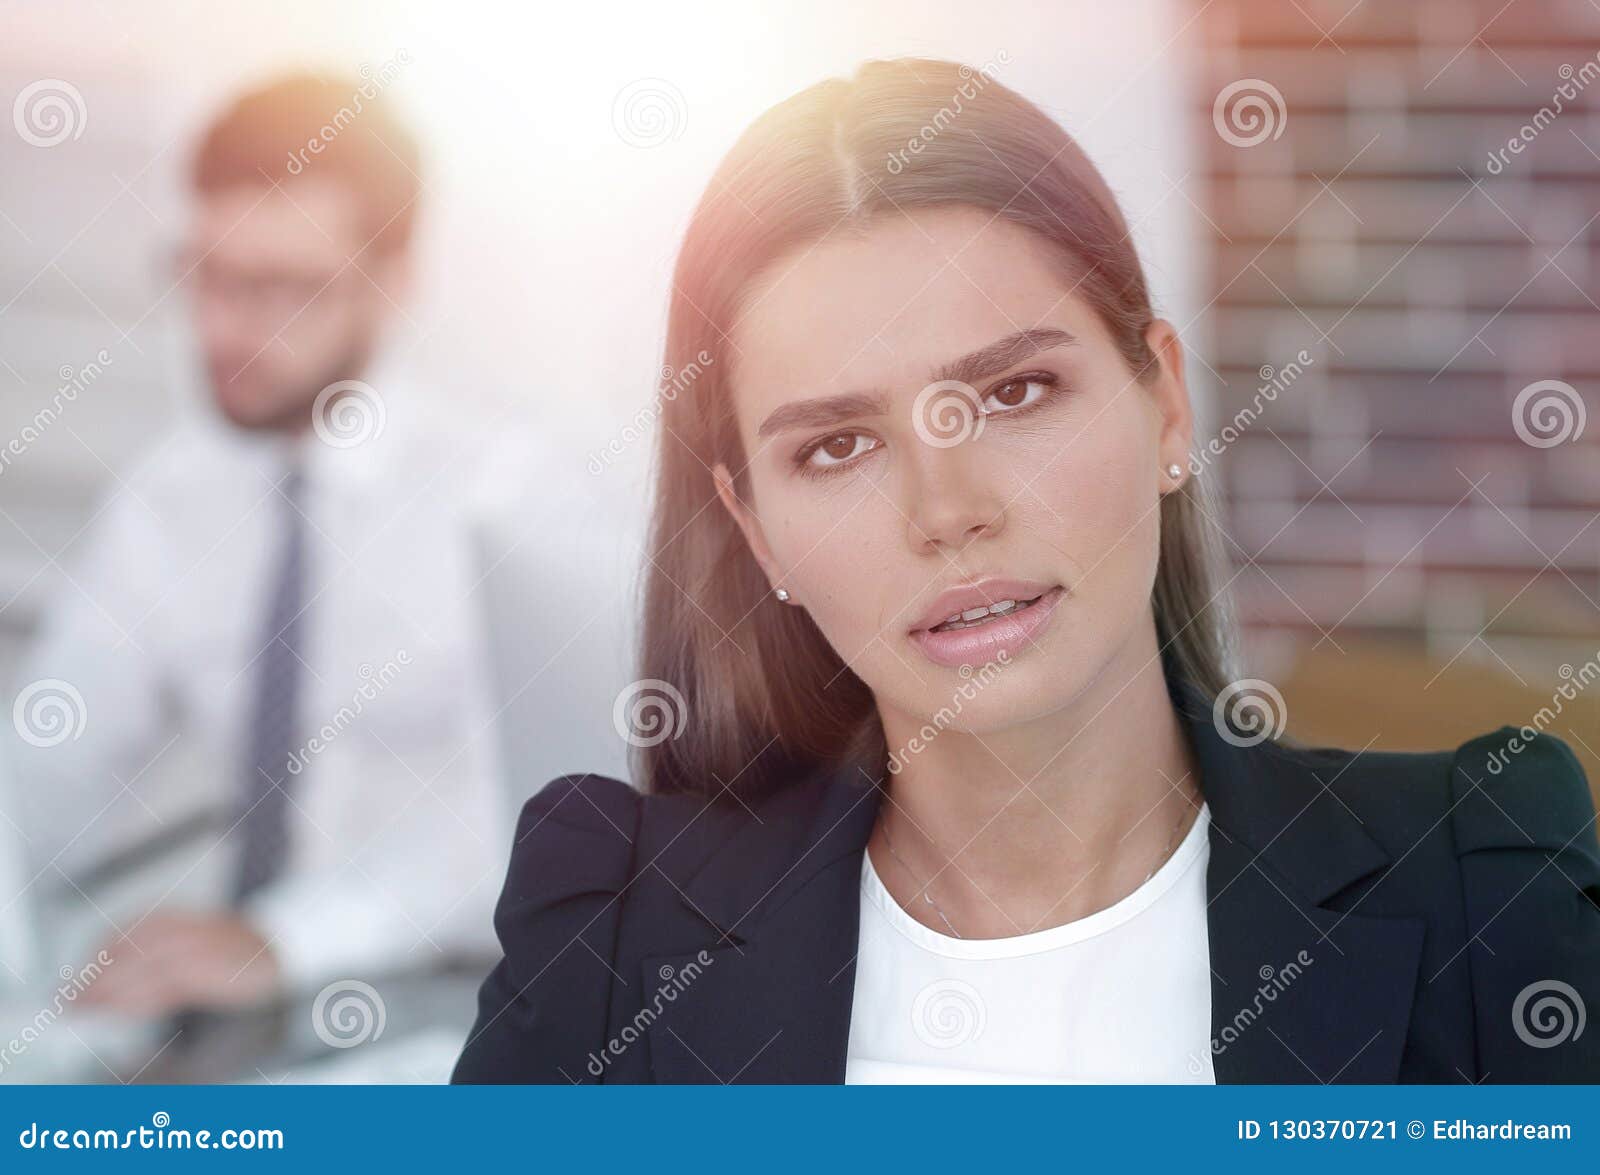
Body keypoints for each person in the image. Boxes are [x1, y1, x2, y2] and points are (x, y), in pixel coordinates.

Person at [451, 58, 1600, 1084]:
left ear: (1161, 399)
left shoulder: (1480, 884)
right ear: (753, 528)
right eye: (836, 445)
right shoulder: (614, 939)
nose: (947, 511)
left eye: (1012, 393)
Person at [7, 75, 505, 1020]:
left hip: (456, 996)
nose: (224, 325)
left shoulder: (500, 500)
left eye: (280, 287)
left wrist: (284, 940)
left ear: (391, 284)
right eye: (206, 273)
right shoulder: (170, 495)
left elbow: (549, 815)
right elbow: (51, 761)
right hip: (250, 1020)